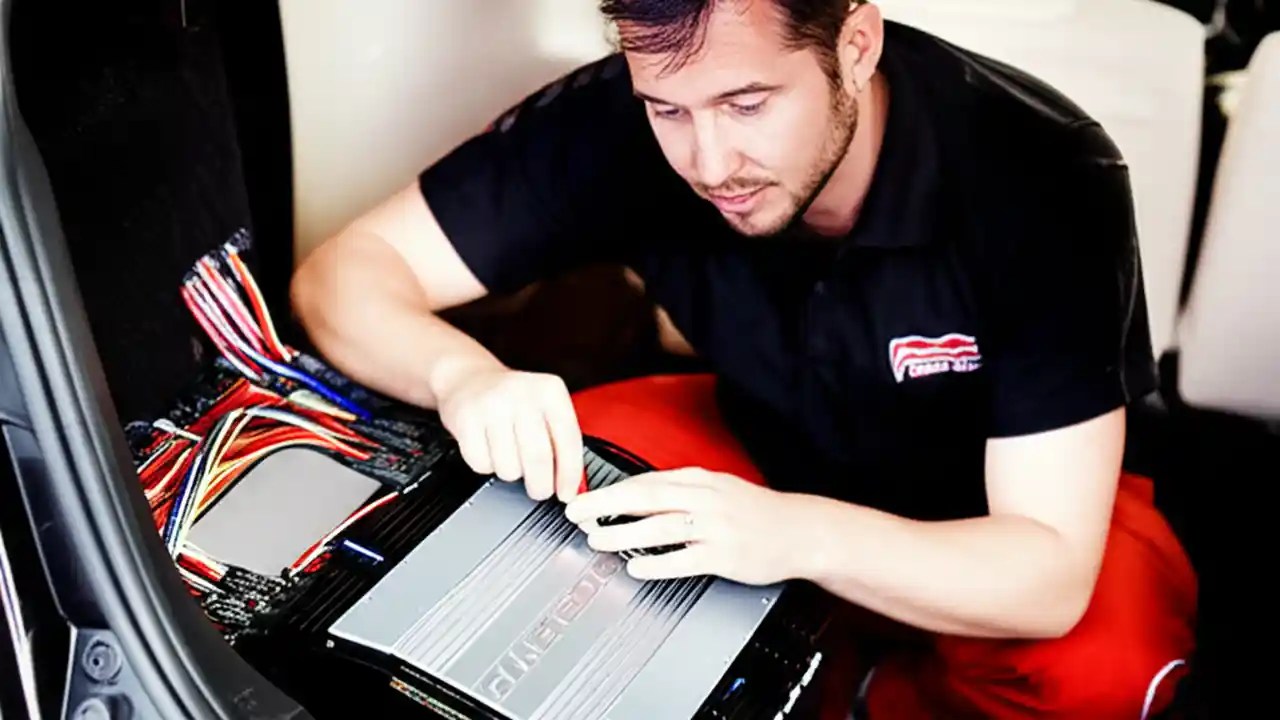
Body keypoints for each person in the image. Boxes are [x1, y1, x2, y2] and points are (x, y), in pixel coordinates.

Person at [290, 1, 1197, 717]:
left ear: (855, 44)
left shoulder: (1043, 174)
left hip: (1015, 501)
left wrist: (792, 533)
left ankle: (869, 693)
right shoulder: (619, 120)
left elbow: (1045, 575)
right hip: (761, 437)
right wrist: (463, 374)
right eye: (668, 109)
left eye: (749, 104)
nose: (710, 160)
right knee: (544, 501)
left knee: (1104, 676)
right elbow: (344, 276)